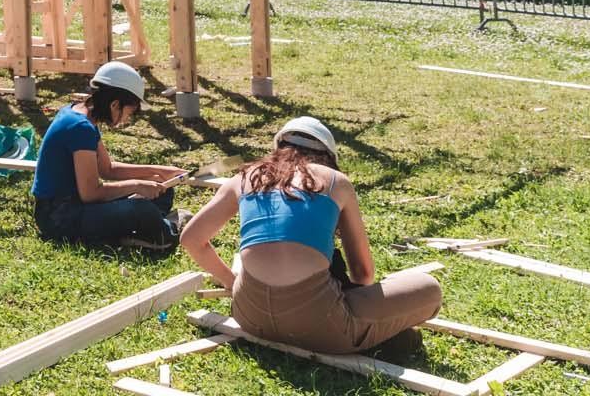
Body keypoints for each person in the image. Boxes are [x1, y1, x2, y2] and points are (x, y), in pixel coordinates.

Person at [178, 116, 442, 353]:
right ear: (328, 156)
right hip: (322, 326)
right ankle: (368, 335)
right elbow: (362, 273)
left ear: (278, 148)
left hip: (249, 317)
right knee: (429, 289)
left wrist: (230, 281)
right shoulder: (336, 181)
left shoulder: (247, 176)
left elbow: (191, 239)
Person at [29, 62, 187, 250]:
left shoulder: (81, 115)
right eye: (129, 112)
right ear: (114, 104)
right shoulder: (80, 128)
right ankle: (166, 232)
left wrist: (159, 171)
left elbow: (108, 169)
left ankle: (138, 230)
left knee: (162, 187)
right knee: (141, 209)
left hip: (71, 206)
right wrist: (137, 185)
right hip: (60, 217)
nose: (127, 119)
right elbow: (90, 194)